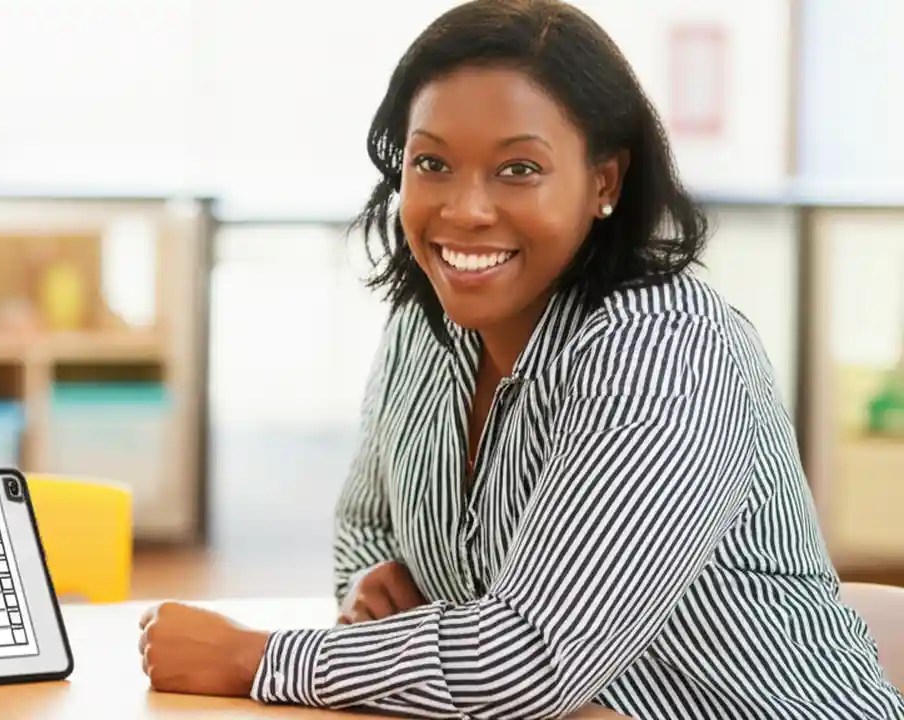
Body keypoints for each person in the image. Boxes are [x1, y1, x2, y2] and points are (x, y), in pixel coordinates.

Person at [137, 1, 904, 717]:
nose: (465, 210)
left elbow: (534, 656)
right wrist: (371, 598)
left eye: (519, 170)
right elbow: (365, 526)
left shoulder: (666, 348)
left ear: (603, 182)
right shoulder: (423, 327)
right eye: (431, 163)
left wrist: (251, 658)